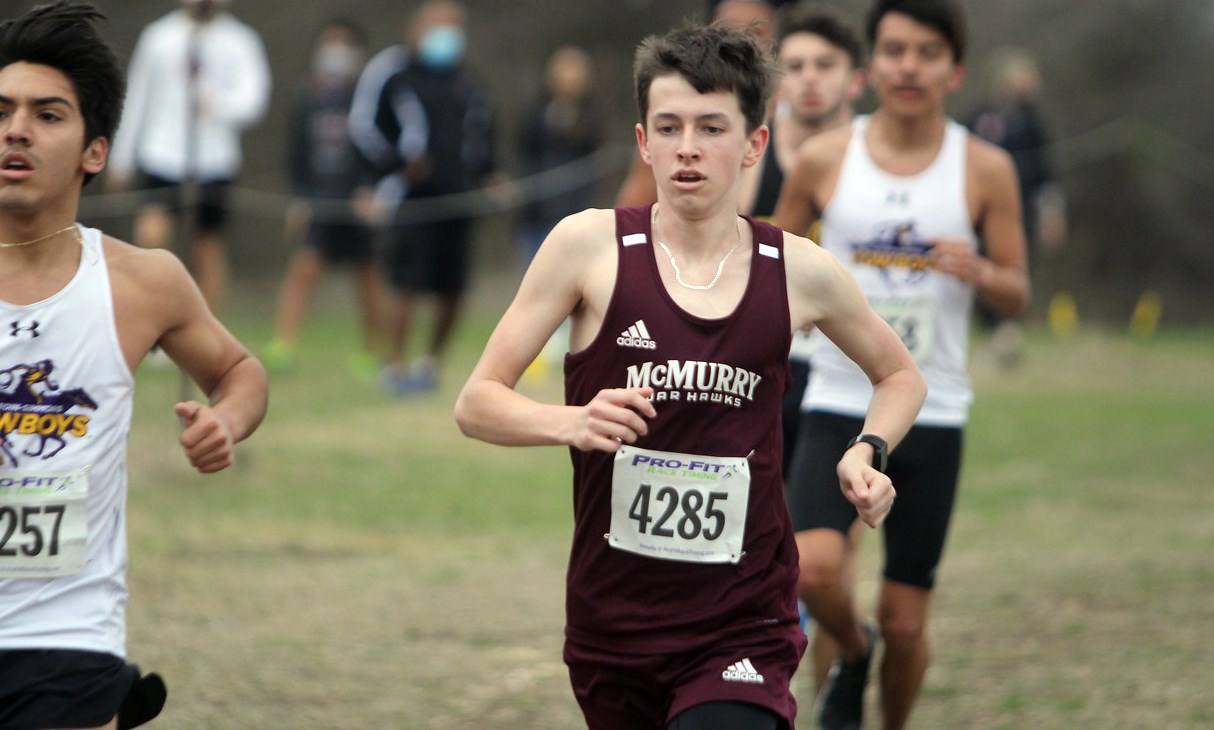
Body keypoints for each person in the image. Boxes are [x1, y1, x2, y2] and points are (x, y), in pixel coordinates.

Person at [455, 22, 925, 730]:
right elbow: (476, 402)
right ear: (643, 141)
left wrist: (869, 449)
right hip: (613, 622)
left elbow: (899, 376)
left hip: (743, 621)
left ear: (754, 144)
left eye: (711, 128)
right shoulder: (588, 247)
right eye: (668, 127)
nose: (687, 148)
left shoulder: (797, 269)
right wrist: (571, 421)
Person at [0, 3, 269, 729]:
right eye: (1, 111)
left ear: (95, 152)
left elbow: (240, 370)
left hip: (66, 634)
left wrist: (226, 421)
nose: (16, 129)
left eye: (46, 115)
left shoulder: (140, 283)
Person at [773, 1, 1030, 728]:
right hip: (837, 396)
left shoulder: (985, 168)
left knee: (908, 623)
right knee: (813, 569)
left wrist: (980, 271)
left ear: (955, 69)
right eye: (893, 50)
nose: (909, 66)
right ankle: (854, 651)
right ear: (872, 66)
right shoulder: (826, 159)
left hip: (934, 409)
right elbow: (769, 265)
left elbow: (1018, 292)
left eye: (927, 52)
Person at [106, 0, 271, 314]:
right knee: (152, 237)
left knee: (207, 248)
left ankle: (206, 325)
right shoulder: (158, 37)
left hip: (214, 159)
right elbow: (138, 97)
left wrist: (220, 105)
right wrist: (122, 158)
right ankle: (155, 317)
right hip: (162, 153)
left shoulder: (241, 40)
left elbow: (254, 98)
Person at [370, 0, 498, 396]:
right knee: (405, 284)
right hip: (415, 201)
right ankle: (395, 365)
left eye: (453, 26)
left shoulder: (470, 83)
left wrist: (489, 175)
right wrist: (394, 168)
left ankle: (430, 364)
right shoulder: (397, 76)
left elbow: (484, 138)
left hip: (460, 201)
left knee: (453, 289)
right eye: (438, 25)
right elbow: (370, 129)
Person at [263, 19, 382, 380]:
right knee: (305, 267)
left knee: (368, 276)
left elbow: (378, 150)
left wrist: (372, 188)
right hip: (318, 199)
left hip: (357, 202)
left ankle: (373, 351)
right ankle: (283, 344)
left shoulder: (367, 99)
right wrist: (298, 199)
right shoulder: (308, 97)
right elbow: (296, 154)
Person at [614, 0, 782, 211]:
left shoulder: (797, 123)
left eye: (757, 32)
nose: (743, 41)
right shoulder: (671, 129)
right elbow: (629, 212)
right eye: (729, 29)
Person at [965, 47, 1066, 368]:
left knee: (1015, 269)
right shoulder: (979, 116)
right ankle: (991, 333)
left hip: (1022, 211)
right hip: (980, 212)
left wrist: (1052, 214)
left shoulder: (1033, 123)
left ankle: (1008, 335)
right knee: (980, 270)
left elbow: (1046, 174)